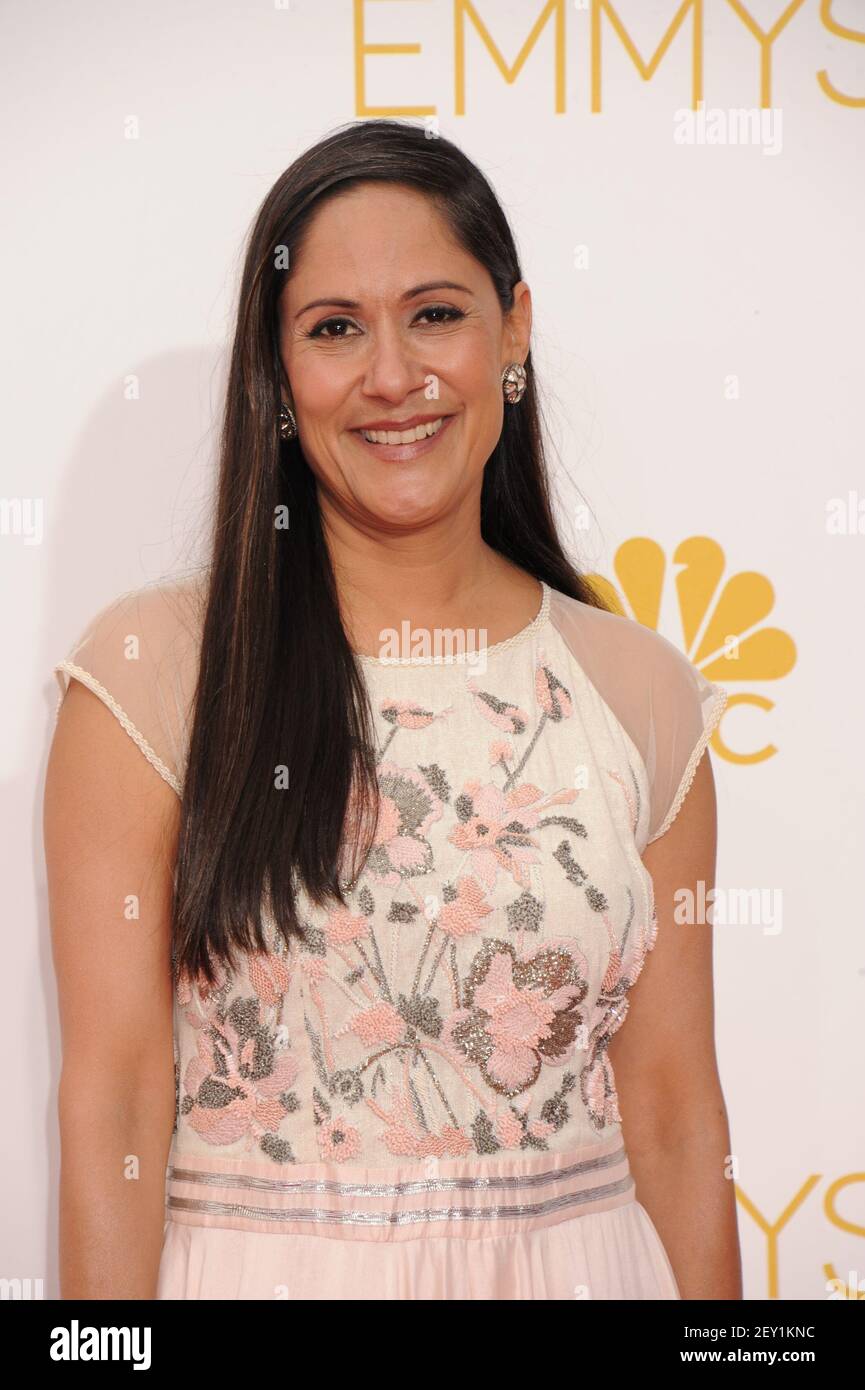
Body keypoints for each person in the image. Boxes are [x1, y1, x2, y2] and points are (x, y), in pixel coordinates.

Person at [44, 119, 742, 1300]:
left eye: (435, 314)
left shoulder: (637, 692)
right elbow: (110, 1095)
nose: (390, 376)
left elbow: (675, 1112)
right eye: (332, 330)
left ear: (512, 329)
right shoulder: (154, 674)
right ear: (275, 370)